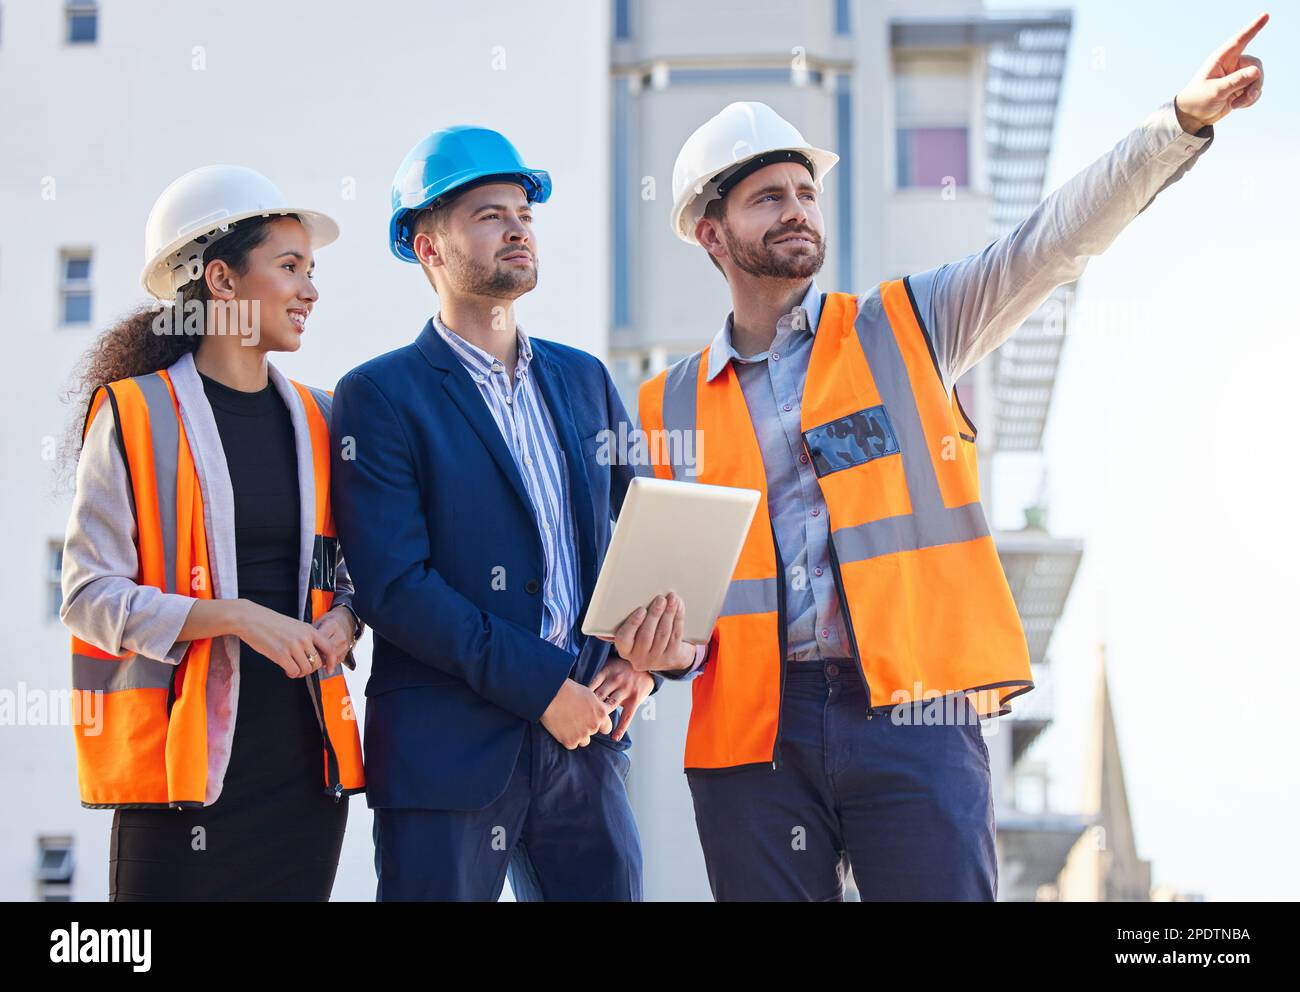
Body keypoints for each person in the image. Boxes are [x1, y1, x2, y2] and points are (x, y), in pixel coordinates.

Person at [631, 16, 1267, 901]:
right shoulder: (661, 410)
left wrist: (1176, 126)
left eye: (803, 193)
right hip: (753, 744)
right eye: (767, 198)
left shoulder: (910, 328)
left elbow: (1051, 245)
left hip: (914, 717)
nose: (797, 211)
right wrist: (653, 651)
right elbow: (664, 606)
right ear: (712, 233)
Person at [331, 125, 697, 901]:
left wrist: (641, 662)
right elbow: (396, 586)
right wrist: (543, 690)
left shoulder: (585, 379)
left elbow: (640, 536)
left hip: (590, 743)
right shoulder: (380, 395)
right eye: (489, 214)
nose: (517, 227)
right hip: (447, 755)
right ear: (428, 249)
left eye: (523, 213)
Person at [60, 165, 365, 901]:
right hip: (177, 777)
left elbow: (345, 570)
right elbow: (88, 596)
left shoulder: (325, 419)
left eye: (312, 269)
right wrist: (232, 617)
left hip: (303, 771)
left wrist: (344, 620)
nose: (310, 290)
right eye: (288, 267)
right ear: (222, 282)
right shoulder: (134, 414)